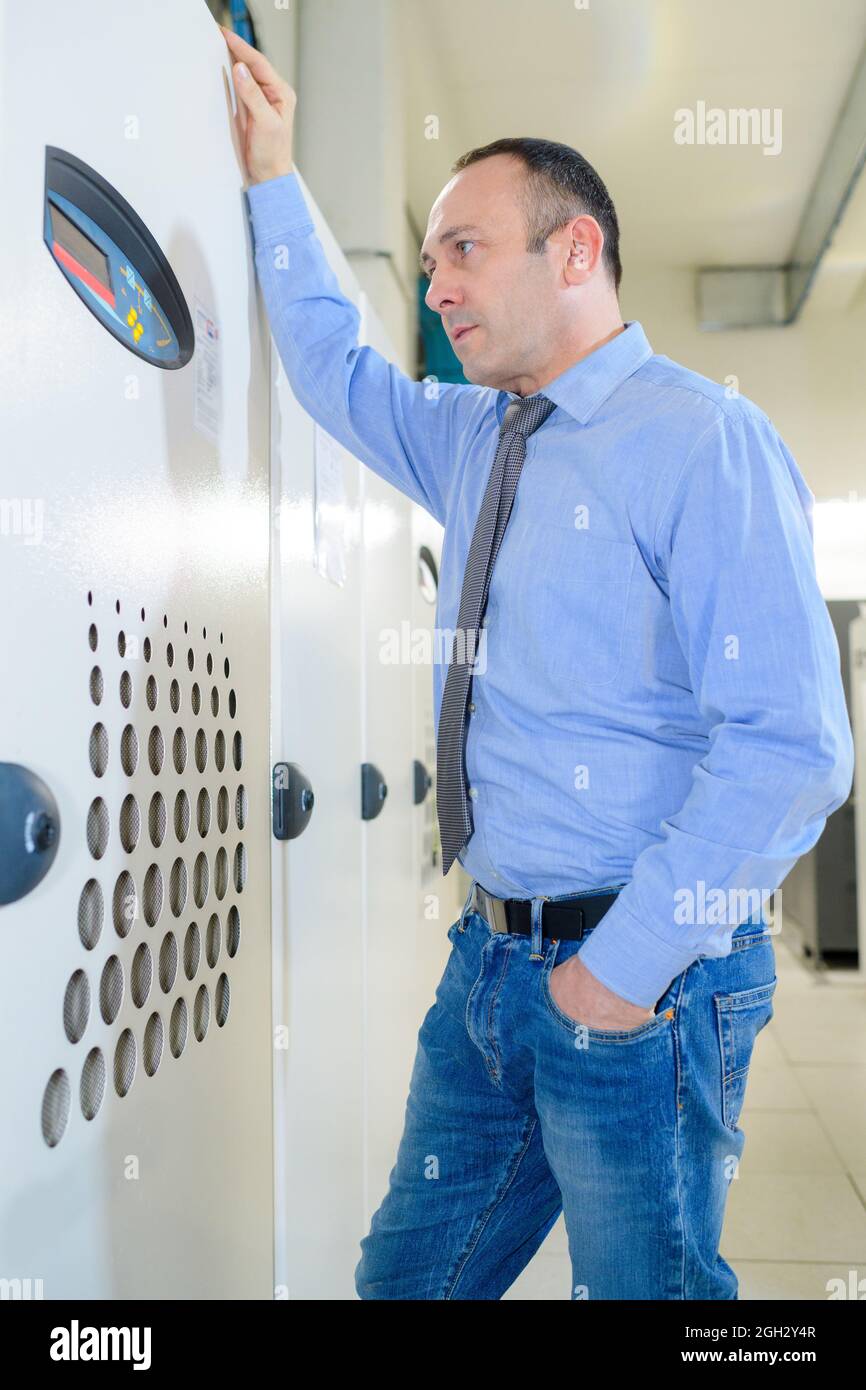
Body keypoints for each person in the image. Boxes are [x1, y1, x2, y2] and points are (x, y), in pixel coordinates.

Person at [220, 24, 855, 1300]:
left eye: (466, 250)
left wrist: (612, 979)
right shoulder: (472, 439)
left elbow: (791, 749)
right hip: (489, 974)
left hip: (642, 982)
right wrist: (271, 178)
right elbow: (336, 370)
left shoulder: (699, 440)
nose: (438, 285)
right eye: (436, 254)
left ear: (575, 252)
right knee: (406, 1285)